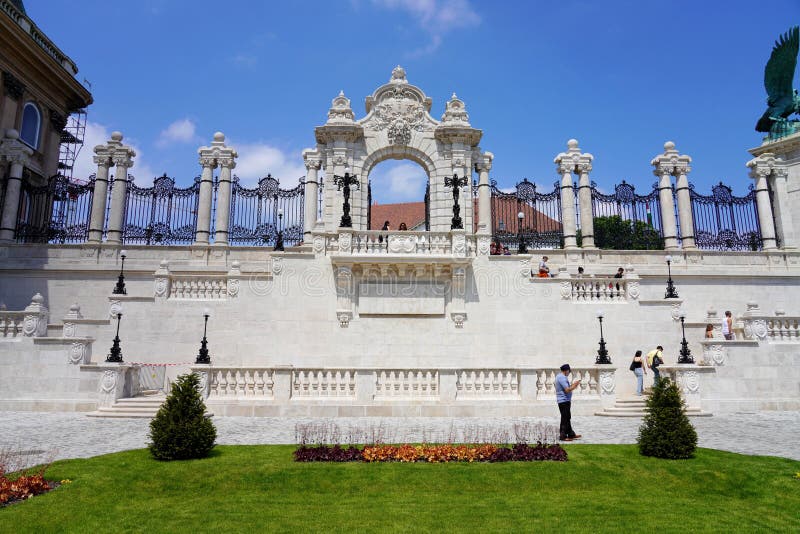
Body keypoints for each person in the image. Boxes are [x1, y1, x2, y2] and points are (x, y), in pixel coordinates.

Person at [555, 364, 581, 441]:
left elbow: (567, 388)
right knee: (564, 418)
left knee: (567, 417)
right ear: (566, 370)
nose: (569, 373)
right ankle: (562, 436)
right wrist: (575, 385)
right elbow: (567, 390)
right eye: (569, 371)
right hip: (564, 400)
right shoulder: (562, 378)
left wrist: (573, 384)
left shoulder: (560, 377)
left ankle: (571, 434)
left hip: (565, 400)